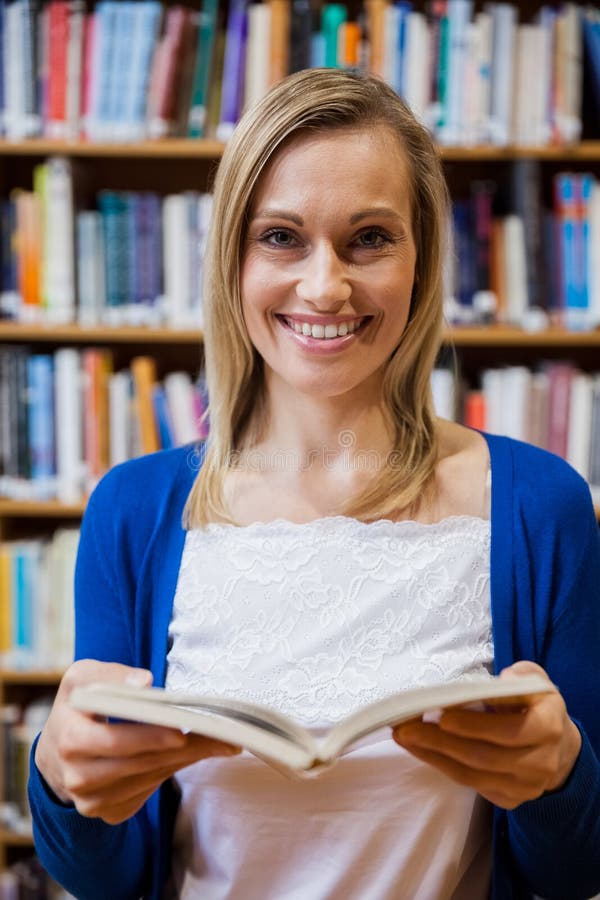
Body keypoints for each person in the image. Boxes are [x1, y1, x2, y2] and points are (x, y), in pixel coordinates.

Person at [29, 68, 600, 900]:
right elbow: (103, 877)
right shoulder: (134, 511)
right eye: (281, 237)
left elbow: (577, 866)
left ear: (421, 259)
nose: (325, 286)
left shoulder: (539, 507)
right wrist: (62, 781)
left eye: (370, 237)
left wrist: (560, 776)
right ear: (232, 258)